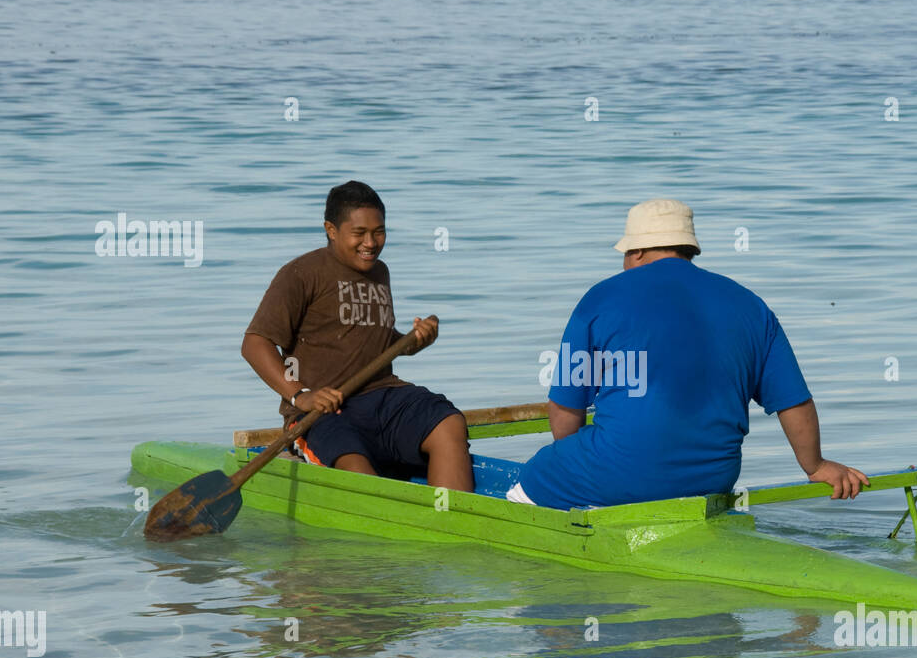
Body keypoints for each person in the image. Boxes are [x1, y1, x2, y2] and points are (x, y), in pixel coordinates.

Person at [511, 198, 866, 508]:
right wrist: (815, 466)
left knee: (530, 479)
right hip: (713, 480)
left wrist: (579, 463)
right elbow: (793, 402)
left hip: (616, 472)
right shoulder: (750, 305)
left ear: (635, 251)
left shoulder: (600, 298)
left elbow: (565, 407)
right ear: (688, 249)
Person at [241, 181, 473, 491]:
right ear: (331, 230)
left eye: (379, 231)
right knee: (354, 465)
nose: (371, 243)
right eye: (359, 233)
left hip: (382, 398)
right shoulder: (301, 274)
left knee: (448, 423)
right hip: (321, 415)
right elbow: (255, 344)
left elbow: (371, 340)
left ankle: (453, 523)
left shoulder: (380, 272)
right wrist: (301, 395)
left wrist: (412, 342)